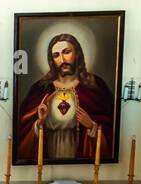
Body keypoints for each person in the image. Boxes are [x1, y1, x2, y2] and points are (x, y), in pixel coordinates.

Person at [16, 32, 115, 162]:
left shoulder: (95, 86)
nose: (62, 60)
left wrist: (92, 125)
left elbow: (111, 127)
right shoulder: (40, 88)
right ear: (52, 60)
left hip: (82, 158)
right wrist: (39, 122)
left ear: (77, 54)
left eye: (66, 52)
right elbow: (22, 130)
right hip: (47, 154)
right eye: (56, 55)